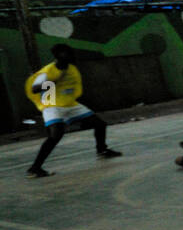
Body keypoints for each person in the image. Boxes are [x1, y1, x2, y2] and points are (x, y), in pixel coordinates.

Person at [25, 44, 122, 177]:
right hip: (52, 104)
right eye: (66, 54)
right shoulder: (47, 71)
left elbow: (75, 86)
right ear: (58, 56)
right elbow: (35, 89)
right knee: (55, 136)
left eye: (70, 53)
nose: (70, 56)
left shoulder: (72, 69)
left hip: (70, 104)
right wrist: (52, 82)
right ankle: (35, 168)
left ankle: (102, 150)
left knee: (100, 124)